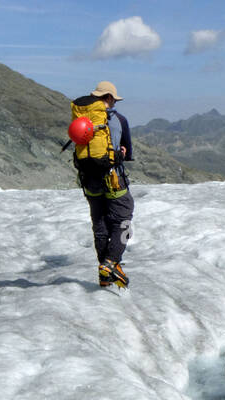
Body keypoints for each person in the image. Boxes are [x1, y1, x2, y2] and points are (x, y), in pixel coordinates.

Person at [71, 81, 134, 288]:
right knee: (123, 219)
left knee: (99, 225)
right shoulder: (119, 120)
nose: (114, 102)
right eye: (113, 99)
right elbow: (127, 153)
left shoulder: (83, 119)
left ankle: (104, 276)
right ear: (109, 98)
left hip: (89, 180)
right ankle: (111, 262)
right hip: (113, 179)